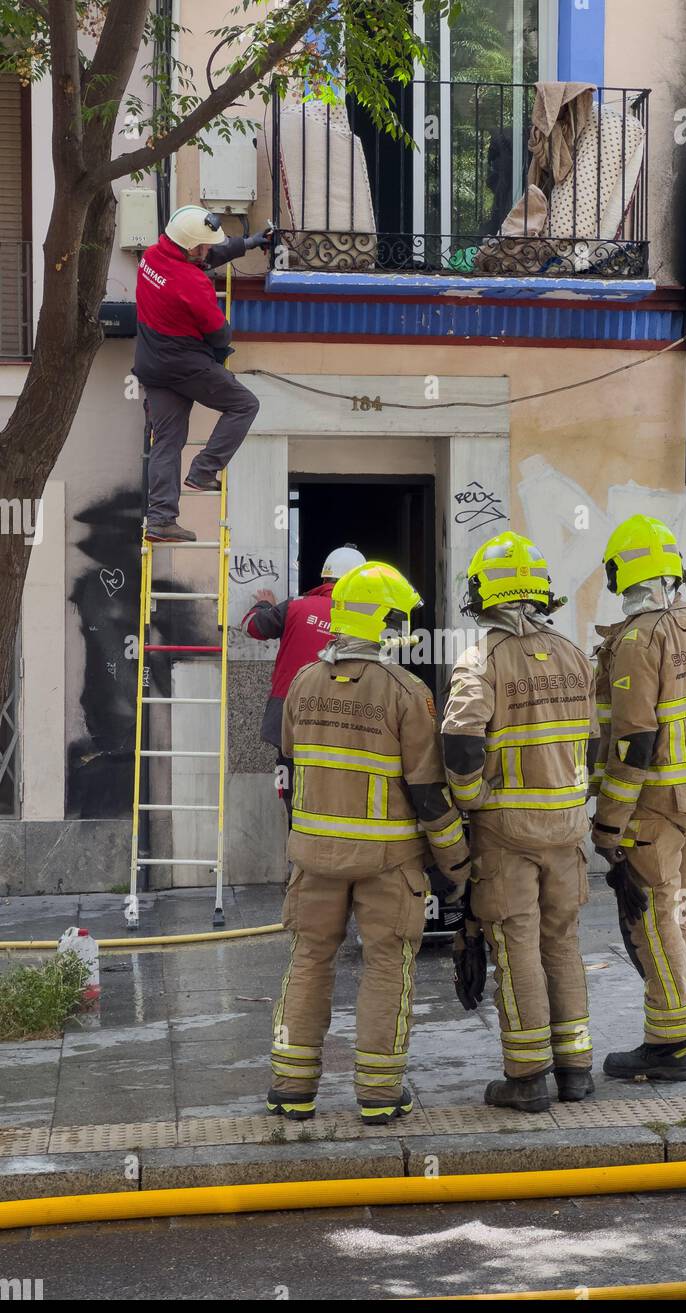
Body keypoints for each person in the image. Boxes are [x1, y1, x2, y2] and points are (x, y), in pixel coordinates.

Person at [269, 560, 470, 1125]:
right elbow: (428, 791)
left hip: (313, 857)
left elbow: (290, 759)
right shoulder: (408, 692)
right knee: (387, 964)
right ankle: (380, 1094)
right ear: (387, 622)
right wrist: (455, 859)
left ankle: (292, 1087)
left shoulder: (304, 682)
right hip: (388, 860)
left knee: (309, 958)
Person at [441, 530, 599, 1114]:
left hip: (507, 831)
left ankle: (528, 1076)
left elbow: (460, 742)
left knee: (516, 945)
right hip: (566, 827)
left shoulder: (482, 659)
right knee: (563, 942)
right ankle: (575, 1068)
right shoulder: (574, 655)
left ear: (486, 597)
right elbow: (593, 741)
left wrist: (471, 799)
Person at [591, 514, 686, 1082]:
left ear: (622, 574)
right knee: (679, 910)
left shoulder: (638, 639)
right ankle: (678, 1022)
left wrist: (609, 824)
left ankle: (669, 1044)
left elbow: (634, 742)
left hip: (655, 805)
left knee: (656, 916)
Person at [134, 205, 272, 543]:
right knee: (244, 405)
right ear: (191, 248)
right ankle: (204, 470)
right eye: (205, 246)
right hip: (185, 364)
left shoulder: (152, 256)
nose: (209, 250)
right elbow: (219, 334)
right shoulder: (191, 281)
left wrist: (250, 242)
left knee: (166, 441)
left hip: (152, 365)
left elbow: (207, 255)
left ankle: (161, 521)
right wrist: (223, 336)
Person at [240, 545, 366, 817]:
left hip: (288, 718)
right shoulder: (364, 619)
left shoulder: (295, 607)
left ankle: (297, 845)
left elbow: (250, 625)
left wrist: (264, 605)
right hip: (341, 718)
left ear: (324, 579)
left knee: (292, 786)